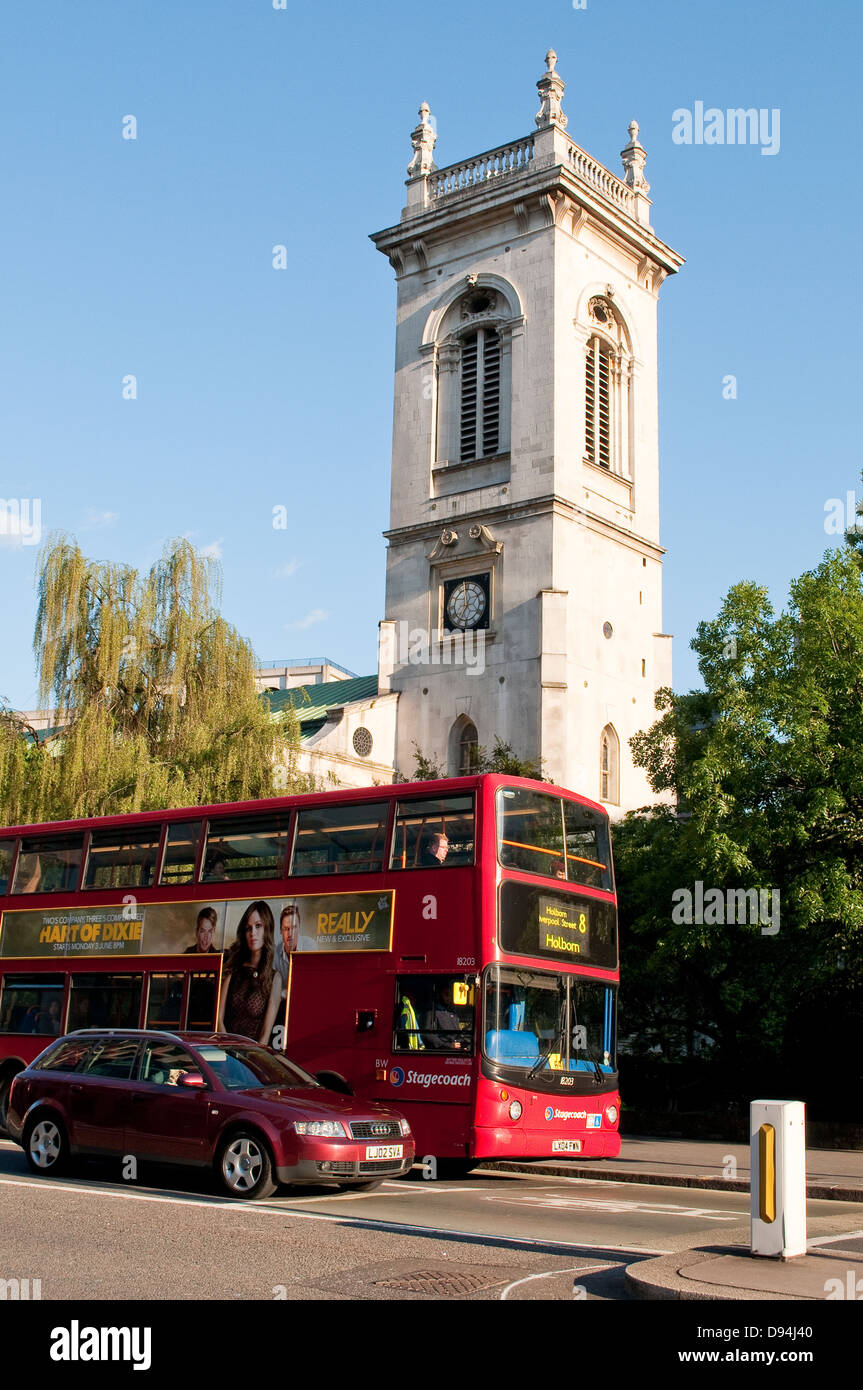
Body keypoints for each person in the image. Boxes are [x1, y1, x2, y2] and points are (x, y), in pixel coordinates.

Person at [217, 900, 282, 1045]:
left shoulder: (274, 979)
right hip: (225, 1053)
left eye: (258, 926)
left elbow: (265, 1036)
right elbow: (219, 1020)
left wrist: (249, 1062)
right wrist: (228, 1052)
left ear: (267, 929)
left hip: (251, 1058)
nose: (253, 933)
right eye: (248, 928)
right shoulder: (232, 971)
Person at [424, 983, 467, 1050]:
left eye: (450, 995)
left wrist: (463, 1045)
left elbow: (458, 1034)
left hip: (455, 1049)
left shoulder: (452, 1013)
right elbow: (428, 1035)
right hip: (443, 1051)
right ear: (439, 995)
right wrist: (448, 1045)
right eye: (446, 995)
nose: (449, 998)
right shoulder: (432, 1012)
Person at [273, 903, 300, 988]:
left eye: (294, 928)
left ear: (299, 928)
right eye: (286, 929)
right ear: (281, 930)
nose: (290, 934)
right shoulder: (275, 954)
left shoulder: (310, 946)